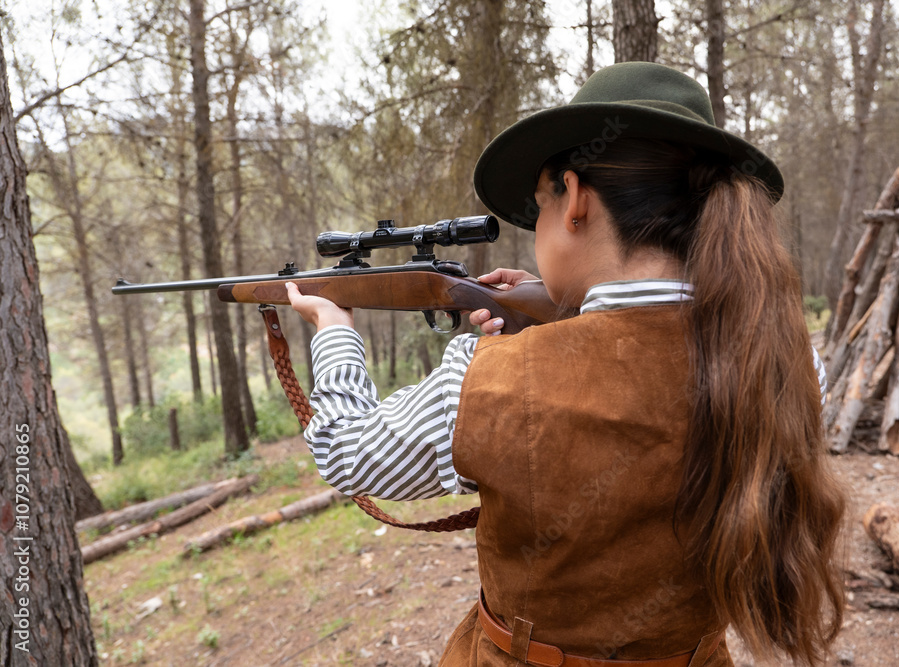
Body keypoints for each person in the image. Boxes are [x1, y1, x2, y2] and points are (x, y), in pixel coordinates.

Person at [286, 62, 845, 667]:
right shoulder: (787, 360)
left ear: (575, 199)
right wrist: (567, 318)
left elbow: (350, 454)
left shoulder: (486, 375)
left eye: (539, 207)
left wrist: (334, 329)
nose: (537, 229)